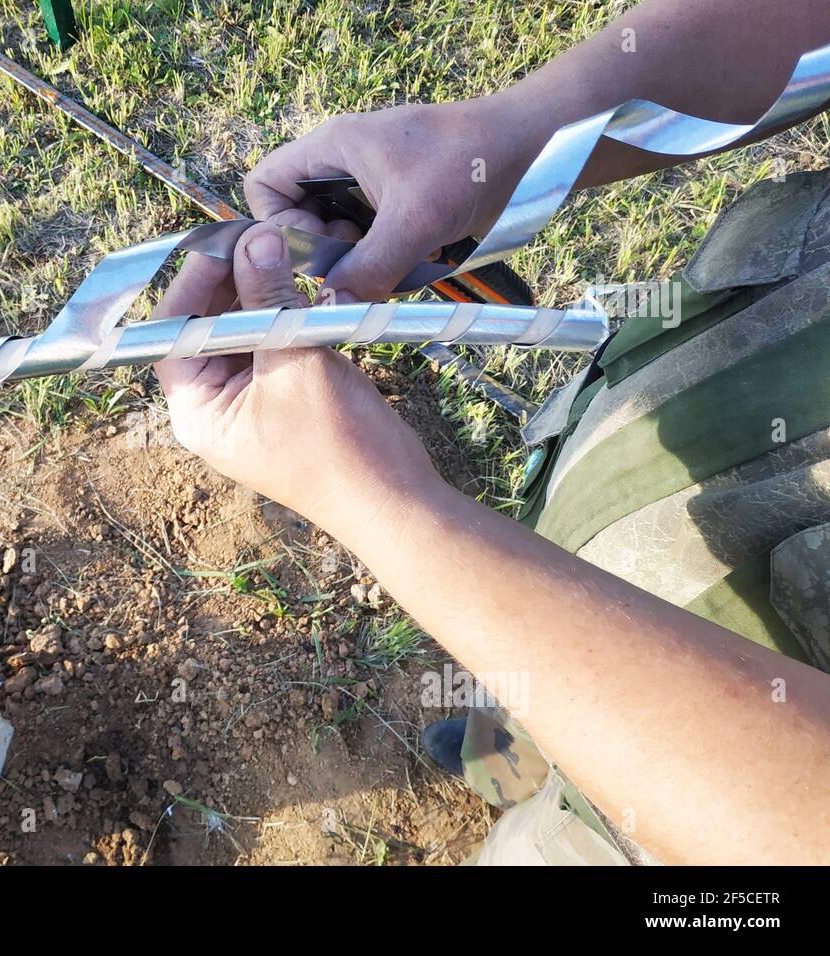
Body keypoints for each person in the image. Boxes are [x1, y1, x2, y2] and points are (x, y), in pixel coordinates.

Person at [152, 0, 830, 865]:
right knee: (517, 658)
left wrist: (388, 511)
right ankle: (508, 755)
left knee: (557, 840)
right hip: (625, 492)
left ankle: (549, 812)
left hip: (679, 830)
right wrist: (515, 133)